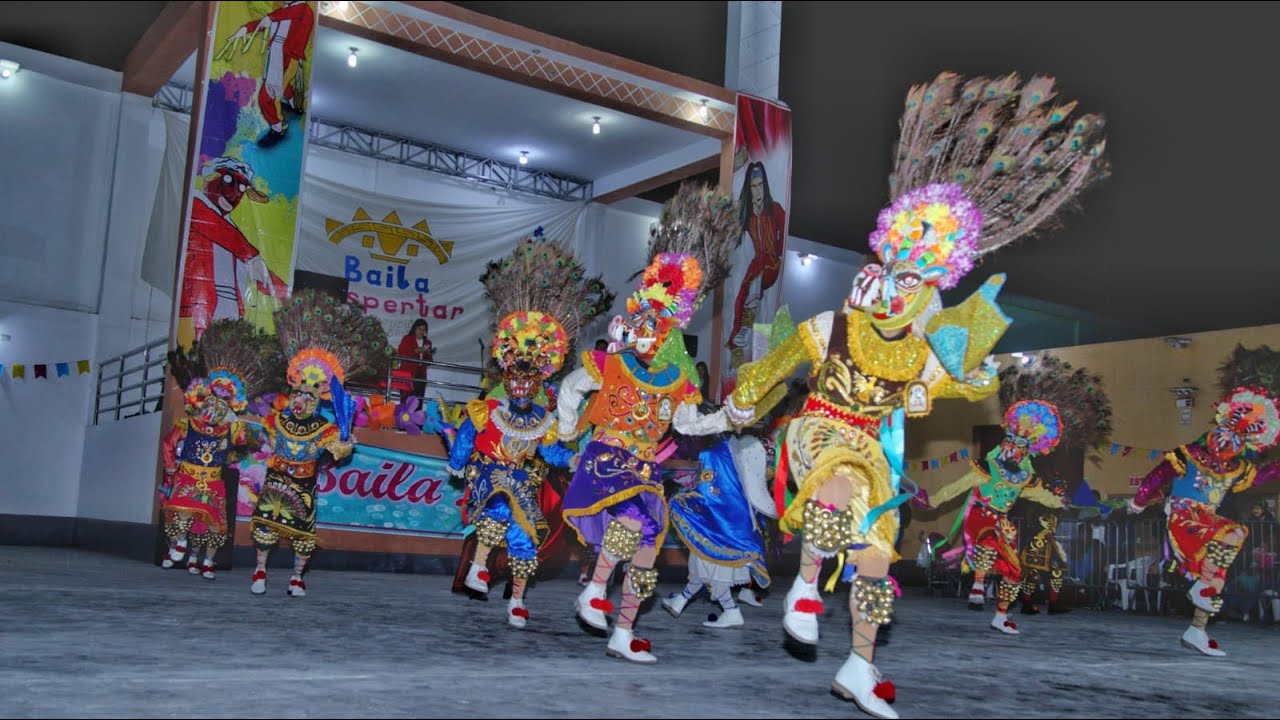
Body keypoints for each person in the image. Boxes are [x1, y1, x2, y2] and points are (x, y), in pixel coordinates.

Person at [725, 72, 1109, 719]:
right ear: (883, 267)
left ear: (934, 288)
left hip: (877, 453)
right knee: (837, 486)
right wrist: (742, 402)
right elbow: (776, 363)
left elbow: (966, 383)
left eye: (922, 284)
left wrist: (979, 370)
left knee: (878, 558)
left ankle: (860, 664)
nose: (906, 293)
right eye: (900, 276)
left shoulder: (924, 352)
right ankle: (806, 592)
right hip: (821, 432)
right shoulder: (835, 328)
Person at [558, 183, 745, 664]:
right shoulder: (612, 365)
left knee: (646, 552)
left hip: (644, 468)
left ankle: (623, 630)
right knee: (631, 520)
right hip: (608, 456)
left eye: (657, 326)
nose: (646, 331)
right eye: (641, 320)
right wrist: (564, 428)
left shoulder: (673, 381)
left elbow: (689, 423)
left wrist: (731, 415)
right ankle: (594, 590)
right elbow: (572, 387)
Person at [444, 232, 610, 629]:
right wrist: (456, 462)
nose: (519, 386)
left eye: (527, 381)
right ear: (506, 377)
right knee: (497, 507)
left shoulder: (543, 418)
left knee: (524, 541)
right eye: (514, 380)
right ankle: (478, 568)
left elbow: (548, 450)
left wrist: (571, 456)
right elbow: (467, 436)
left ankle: (517, 599)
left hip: (524, 482)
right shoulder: (488, 409)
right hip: (490, 476)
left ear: (537, 383)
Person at [1128, 386, 1280, 655]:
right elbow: (1158, 475)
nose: (1225, 441)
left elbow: (1266, 474)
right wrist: (1139, 501)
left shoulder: (1238, 469)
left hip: (1207, 522)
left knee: (1215, 579)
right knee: (1233, 532)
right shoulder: (1187, 455)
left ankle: (1196, 630)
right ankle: (1200, 592)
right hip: (1184, 515)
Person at [928, 401, 1066, 635]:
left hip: (1001, 521)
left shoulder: (1023, 477)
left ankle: (1000, 616)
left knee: (1015, 571)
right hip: (979, 516)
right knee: (989, 539)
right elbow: (959, 486)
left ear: (1025, 452)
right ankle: (978, 585)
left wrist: (1059, 501)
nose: (1012, 447)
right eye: (1009, 442)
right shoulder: (987, 468)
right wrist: (933, 500)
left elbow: (1040, 495)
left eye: (1018, 445)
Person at [397, 319, 434, 398]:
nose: (421, 332)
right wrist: (416, 350)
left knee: (418, 400)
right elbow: (401, 353)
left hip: (421, 375)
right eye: (419, 329)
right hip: (408, 374)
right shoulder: (407, 339)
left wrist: (428, 354)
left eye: (424, 330)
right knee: (406, 400)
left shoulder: (428, 343)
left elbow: (429, 362)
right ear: (414, 329)